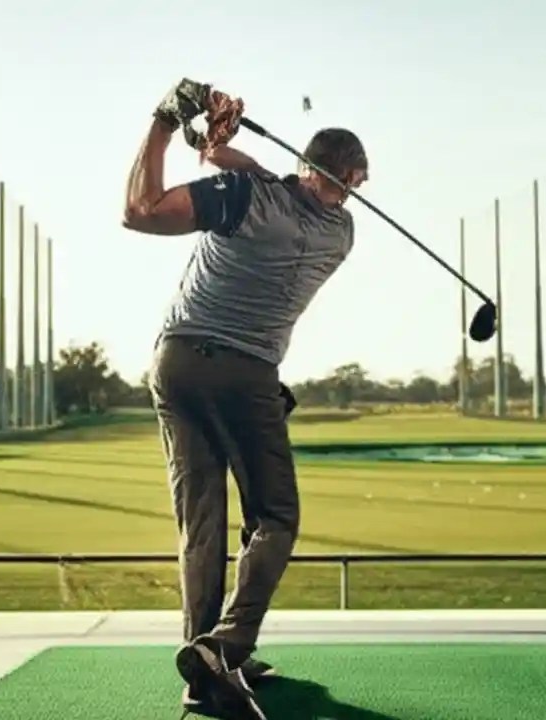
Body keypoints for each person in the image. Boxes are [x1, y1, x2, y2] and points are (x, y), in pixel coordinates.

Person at [122, 80, 368, 720]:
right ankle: (226, 646)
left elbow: (141, 210)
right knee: (275, 517)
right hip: (247, 373)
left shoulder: (245, 197)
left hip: (176, 364)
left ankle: (204, 661)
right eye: (351, 181)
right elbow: (280, 189)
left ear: (303, 165)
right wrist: (220, 148)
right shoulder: (340, 236)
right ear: (353, 177)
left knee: (200, 519)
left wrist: (170, 124)